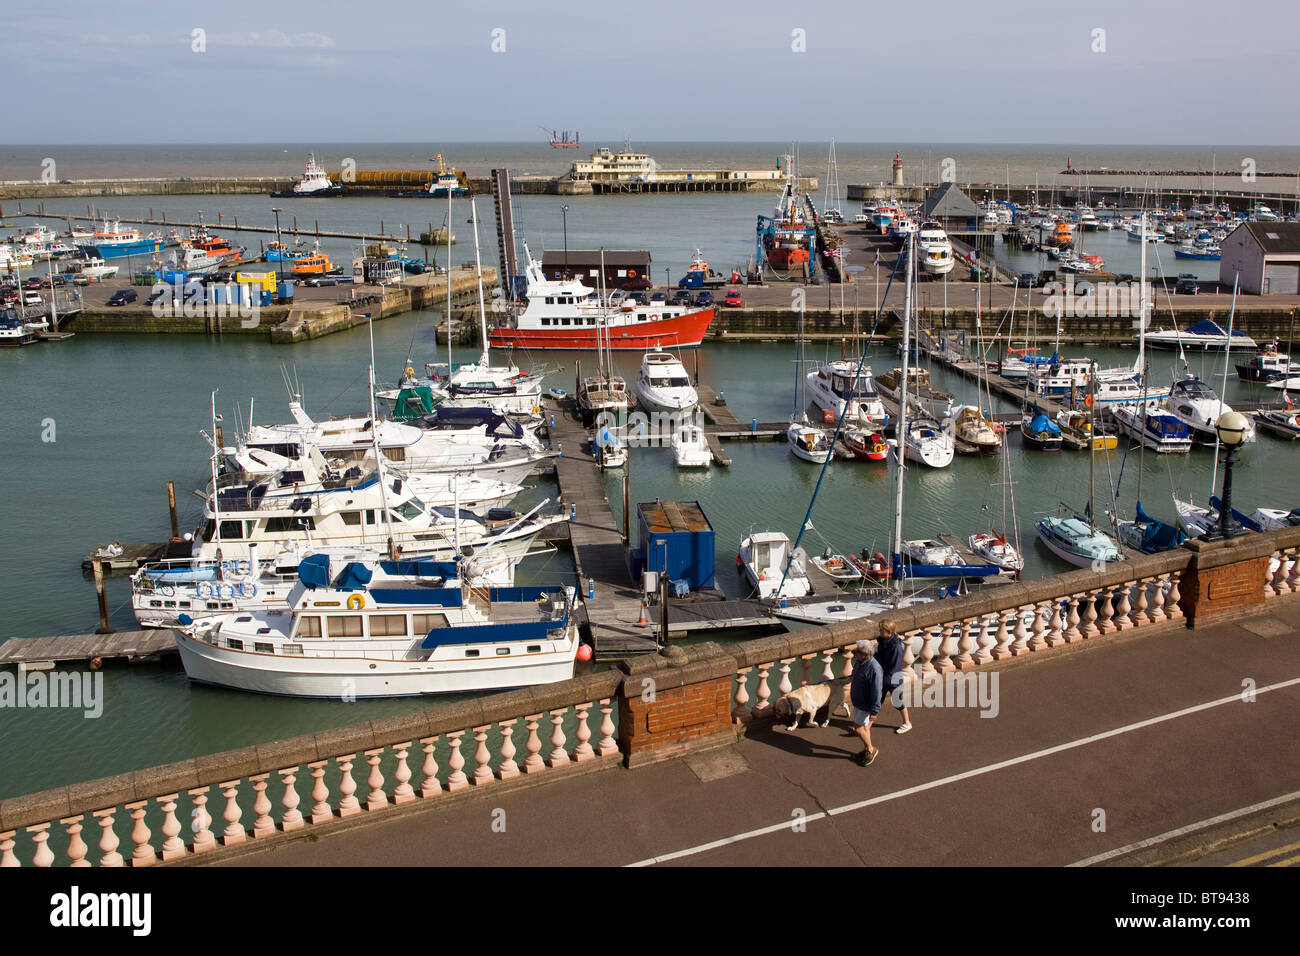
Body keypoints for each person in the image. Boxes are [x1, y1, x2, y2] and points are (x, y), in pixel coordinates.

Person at [874, 620, 912, 734]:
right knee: (876, 702)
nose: (879, 632)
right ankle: (866, 726)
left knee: (897, 703)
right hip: (884, 678)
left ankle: (907, 723)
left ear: (889, 632)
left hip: (893, 680)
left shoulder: (896, 647)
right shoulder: (883, 642)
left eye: (882, 630)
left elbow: (895, 667)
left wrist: (883, 681)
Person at [849, 638, 882, 766]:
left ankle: (870, 749)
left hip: (865, 704)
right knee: (864, 727)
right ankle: (866, 748)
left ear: (865, 655)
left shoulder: (874, 669)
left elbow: (877, 691)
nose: (855, 653)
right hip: (859, 701)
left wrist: (875, 710)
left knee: (857, 728)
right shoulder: (859, 662)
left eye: (857, 651)